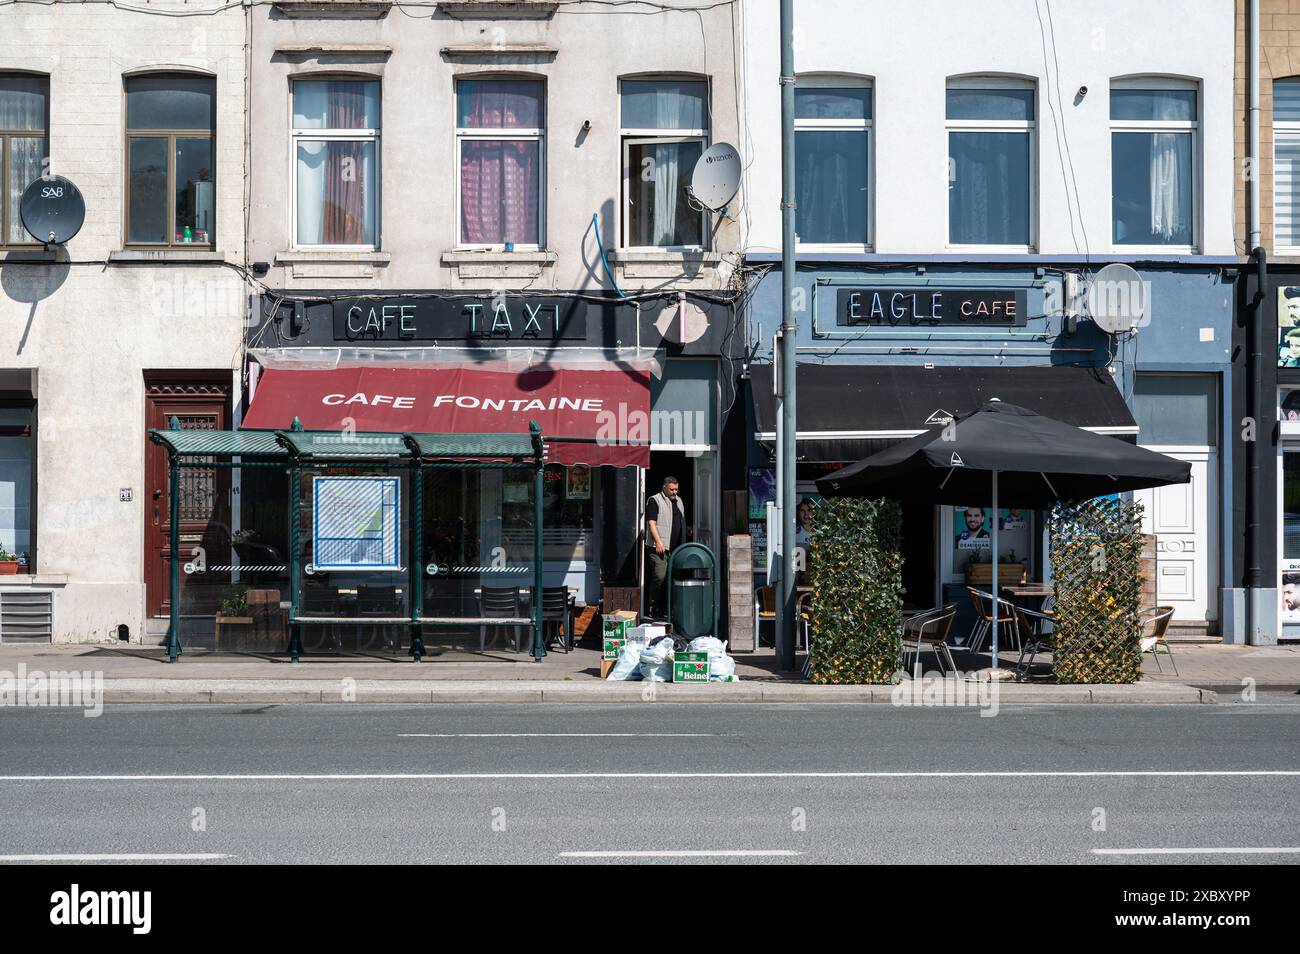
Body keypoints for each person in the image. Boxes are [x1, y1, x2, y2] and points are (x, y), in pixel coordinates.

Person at [645, 476, 687, 620]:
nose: (674, 492)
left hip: (676, 549)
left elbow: (677, 520)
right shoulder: (655, 500)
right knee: (660, 576)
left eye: (676, 489)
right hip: (660, 549)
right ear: (664, 487)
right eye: (672, 489)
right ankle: (652, 606)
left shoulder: (679, 501)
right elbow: (651, 523)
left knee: (674, 578)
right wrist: (658, 542)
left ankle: (669, 608)